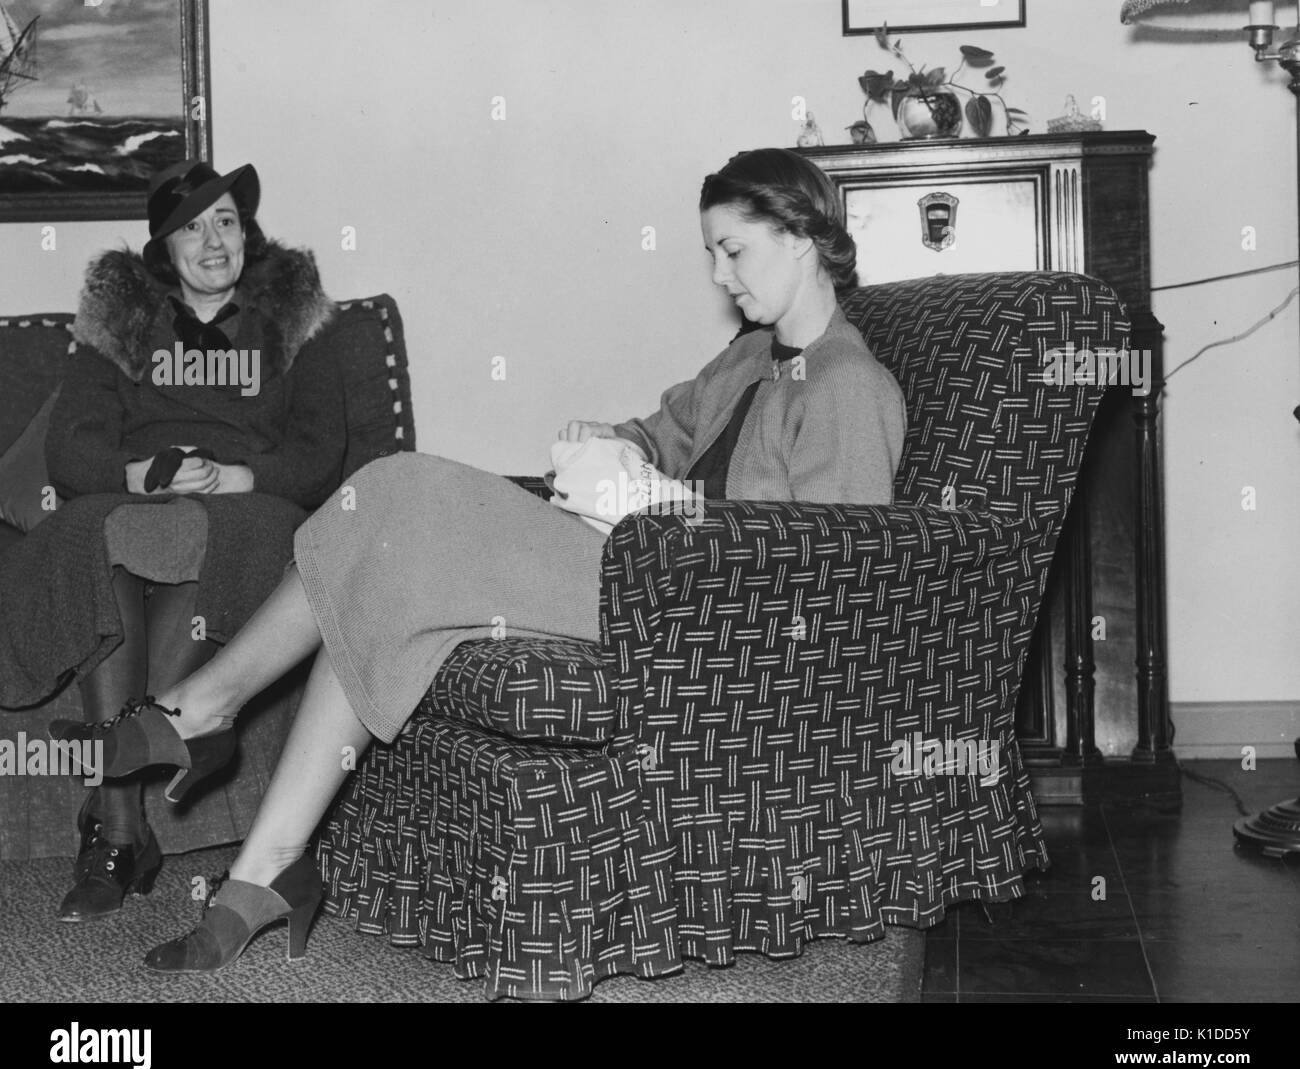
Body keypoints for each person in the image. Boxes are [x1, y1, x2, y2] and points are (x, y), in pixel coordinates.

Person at [54, 147, 908, 972]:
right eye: (712, 254)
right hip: (631, 562)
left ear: (800, 236)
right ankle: (261, 871)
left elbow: (821, 574)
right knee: (381, 543)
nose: (720, 277)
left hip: (689, 609)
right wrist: (608, 443)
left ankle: (200, 711)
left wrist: (671, 513)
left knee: (399, 491)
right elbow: (663, 433)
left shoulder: (849, 386)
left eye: (733, 250)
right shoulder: (752, 356)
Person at [0, 160, 348, 923]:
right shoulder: (120, 326)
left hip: (247, 502)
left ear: (246, 234)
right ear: (164, 246)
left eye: (225, 220)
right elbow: (72, 448)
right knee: (99, 531)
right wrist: (139, 474)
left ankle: (133, 784)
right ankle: (121, 832)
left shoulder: (291, 320)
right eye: (191, 226)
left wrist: (243, 478)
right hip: (137, 492)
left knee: (216, 536)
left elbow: (321, 448)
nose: (212, 239)